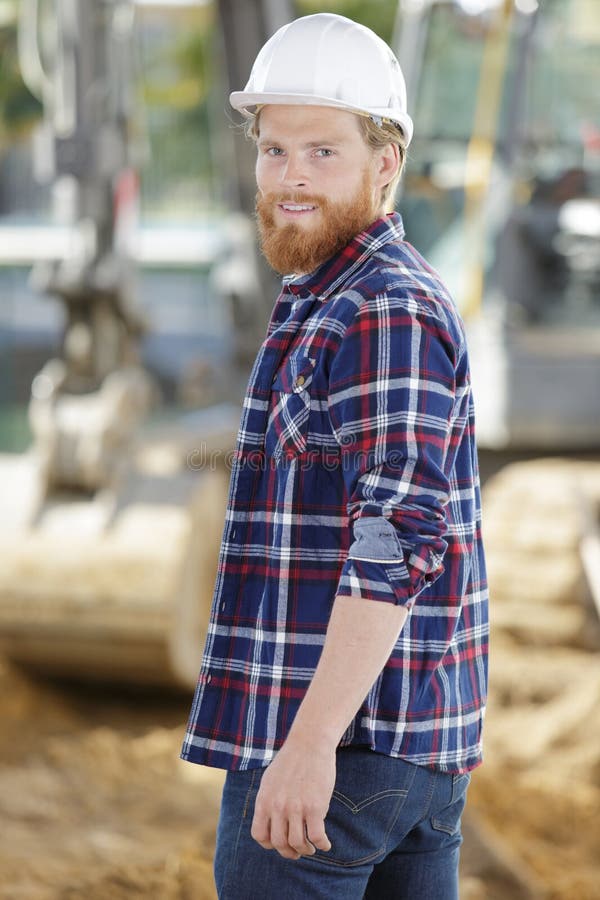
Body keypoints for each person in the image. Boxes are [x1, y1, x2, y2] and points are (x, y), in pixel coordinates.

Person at [181, 13, 488, 900]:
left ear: (385, 163)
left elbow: (398, 537)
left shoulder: (380, 307)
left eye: (323, 152)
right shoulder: (329, 295)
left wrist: (310, 743)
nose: (291, 177)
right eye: (274, 150)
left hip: (337, 750)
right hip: (396, 750)